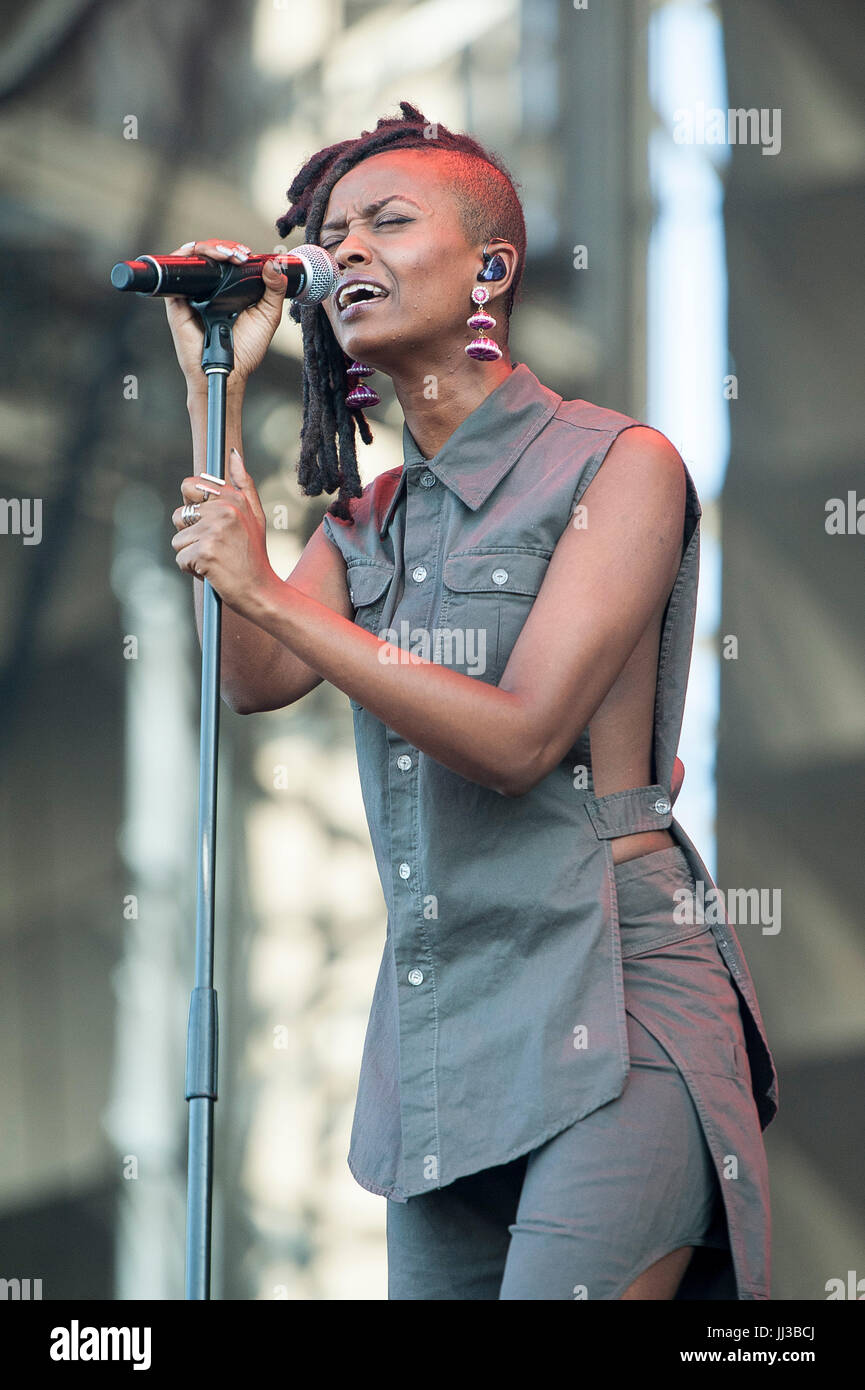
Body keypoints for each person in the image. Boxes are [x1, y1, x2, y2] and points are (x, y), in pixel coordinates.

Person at [164, 101, 778, 1300]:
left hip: (615, 988)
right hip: (446, 1028)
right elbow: (249, 676)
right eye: (331, 234)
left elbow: (521, 736)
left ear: (489, 267)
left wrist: (276, 595)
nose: (347, 249)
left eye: (387, 222)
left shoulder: (618, 464)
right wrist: (211, 394)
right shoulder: (370, 517)